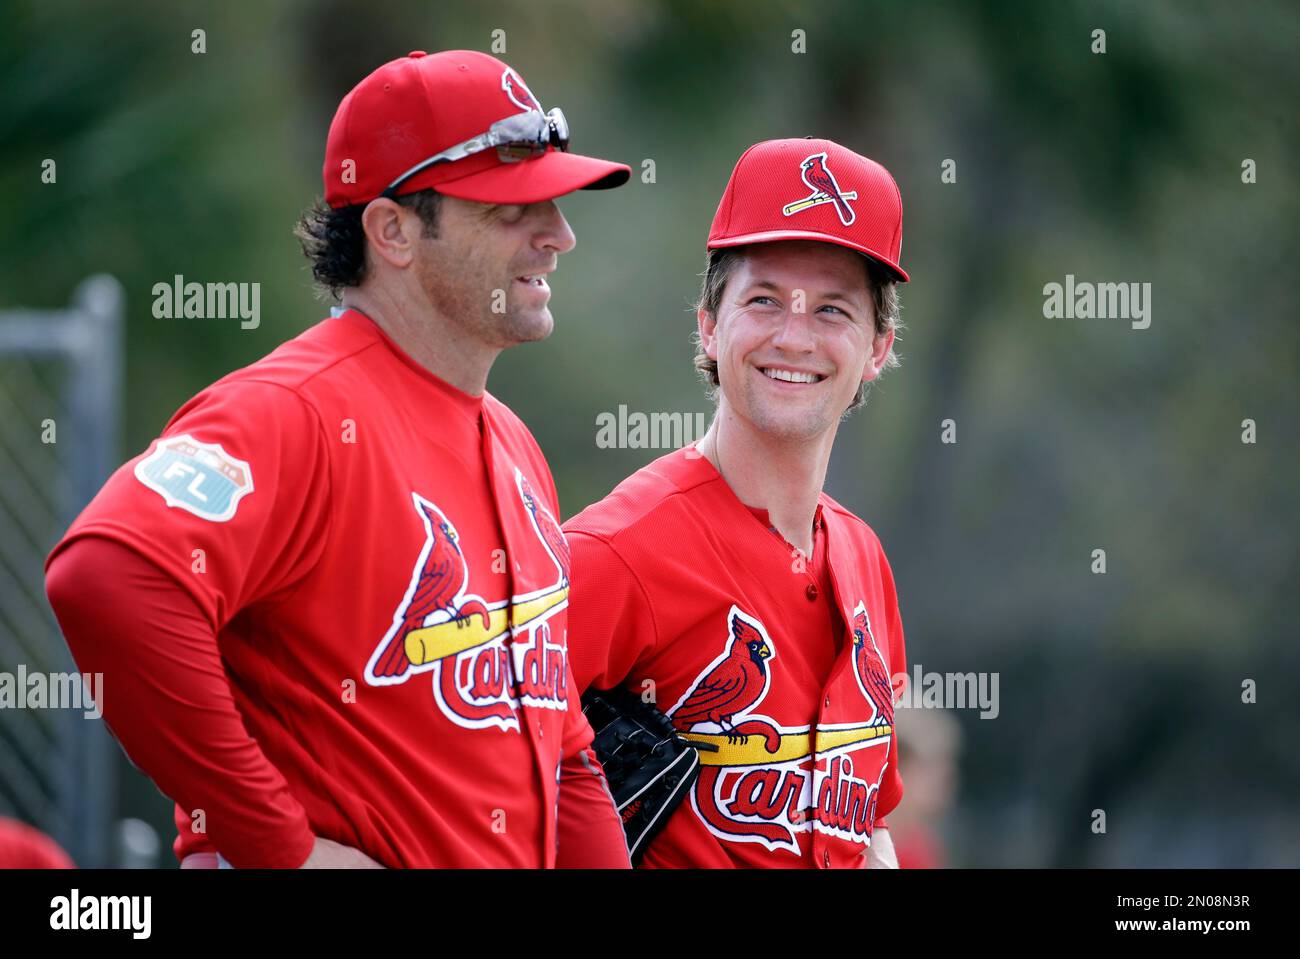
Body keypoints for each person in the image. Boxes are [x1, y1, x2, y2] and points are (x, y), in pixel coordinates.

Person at [44, 49, 632, 869]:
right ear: (392, 230)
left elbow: (558, 737)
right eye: (510, 210)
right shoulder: (295, 409)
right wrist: (280, 847)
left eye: (555, 204)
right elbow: (106, 577)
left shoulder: (513, 441)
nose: (558, 236)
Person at [565, 137, 910, 868]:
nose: (794, 335)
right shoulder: (616, 553)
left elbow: (870, 819)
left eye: (832, 310)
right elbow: (460, 780)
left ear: (877, 346)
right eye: (763, 299)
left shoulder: (864, 559)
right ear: (709, 323)